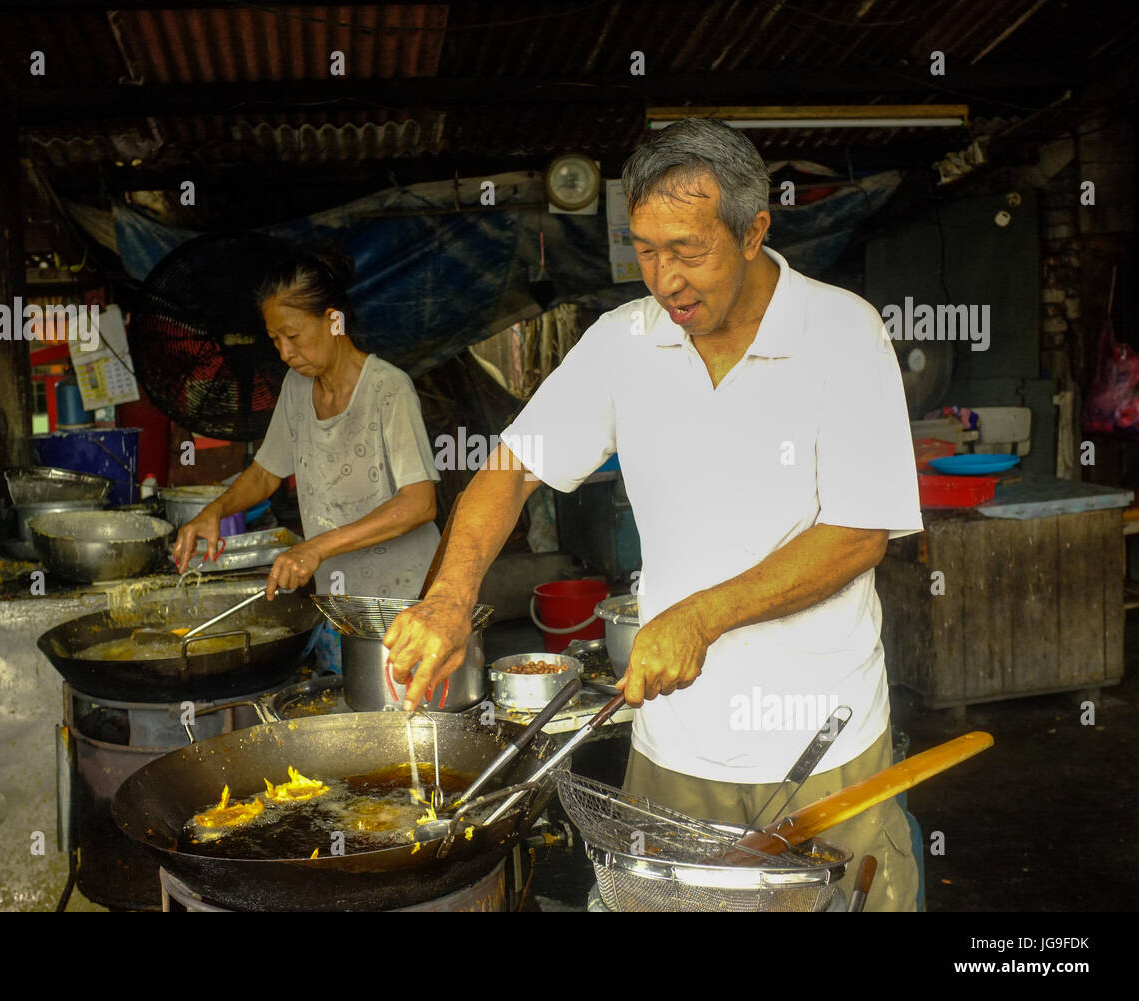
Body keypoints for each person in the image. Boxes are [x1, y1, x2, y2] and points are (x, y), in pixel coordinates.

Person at [381, 119, 924, 910]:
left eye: (687, 249)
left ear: (753, 230)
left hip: (825, 746)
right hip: (677, 749)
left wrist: (701, 617)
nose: (664, 278)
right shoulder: (622, 343)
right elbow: (507, 470)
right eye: (644, 248)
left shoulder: (843, 333)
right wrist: (449, 599)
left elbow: (857, 533)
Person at [173, 249, 442, 667]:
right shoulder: (297, 388)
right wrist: (215, 510)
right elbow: (266, 472)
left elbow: (420, 504)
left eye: (293, 336)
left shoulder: (389, 389)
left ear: (334, 321)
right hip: (342, 605)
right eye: (275, 339)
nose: (284, 352)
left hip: (410, 601)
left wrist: (315, 548)